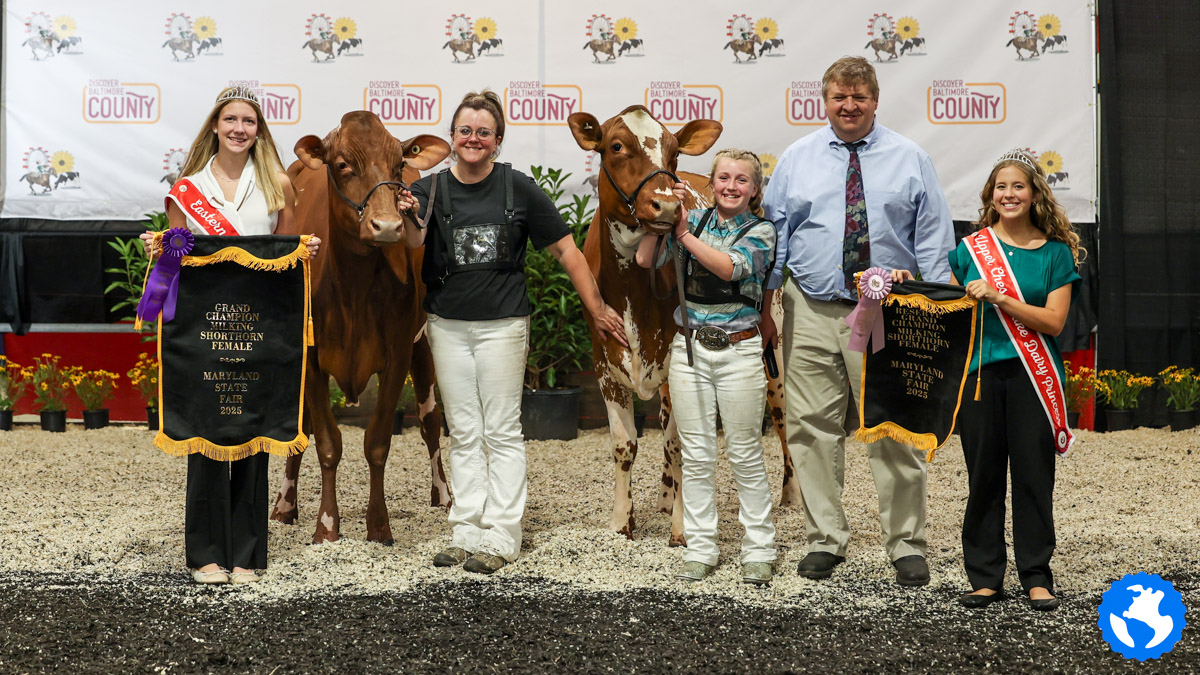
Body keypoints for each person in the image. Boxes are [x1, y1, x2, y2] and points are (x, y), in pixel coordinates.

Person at [395, 90, 625, 575]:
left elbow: (568, 252)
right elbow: (414, 240)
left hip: (502, 326)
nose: (473, 138)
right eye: (465, 130)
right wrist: (406, 213)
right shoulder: (428, 189)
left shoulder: (518, 188)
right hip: (447, 325)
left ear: (497, 140)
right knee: (464, 429)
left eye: (484, 131)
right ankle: (466, 530)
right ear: (453, 137)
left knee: (500, 428)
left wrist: (599, 307)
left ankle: (502, 534)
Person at [761, 56, 954, 586]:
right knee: (811, 427)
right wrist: (767, 303)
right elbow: (776, 235)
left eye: (859, 97)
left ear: (875, 99)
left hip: (890, 312)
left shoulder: (911, 158)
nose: (849, 106)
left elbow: (933, 238)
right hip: (811, 308)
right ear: (824, 101)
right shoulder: (796, 159)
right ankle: (825, 539)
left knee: (894, 426)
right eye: (838, 97)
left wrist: (933, 309)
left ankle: (907, 544)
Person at [140, 85, 319, 585]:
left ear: (259, 130)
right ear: (215, 126)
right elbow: (178, 266)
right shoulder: (187, 188)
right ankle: (204, 555)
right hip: (205, 333)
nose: (240, 129)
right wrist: (162, 249)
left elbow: (284, 253)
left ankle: (248, 556)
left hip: (259, 331)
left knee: (254, 434)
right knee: (205, 437)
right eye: (231, 120)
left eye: (250, 121)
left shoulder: (278, 184)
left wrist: (304, 251)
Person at [942, 149, 1080, 611]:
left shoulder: (1057, 254)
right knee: (983, 476)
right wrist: (903, 281)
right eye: (1001, 186)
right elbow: (945, 304)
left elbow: (1055, 322)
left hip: (1033, 378)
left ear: (1035, 193)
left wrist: (1000, 297)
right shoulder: (970, 251)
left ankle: (1036, 575)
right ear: (990, 195)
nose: (1009, 194)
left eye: (1018, 186)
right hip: (981, 377)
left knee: (1033, 476)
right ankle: (984, 576)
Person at [635, 149, 777, 586]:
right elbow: (644, 259)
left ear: (755, 189)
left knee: (745, 453)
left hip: (739, 352)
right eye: (723, 178)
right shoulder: (690, 221)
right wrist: (664, 217)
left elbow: (732, 268)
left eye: (741, 180)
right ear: (710, 184)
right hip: (690, 351)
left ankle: (759, 547)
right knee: (695, 455)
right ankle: (701, 547)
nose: (731, 186)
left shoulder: (763, 230)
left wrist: (683, 233)